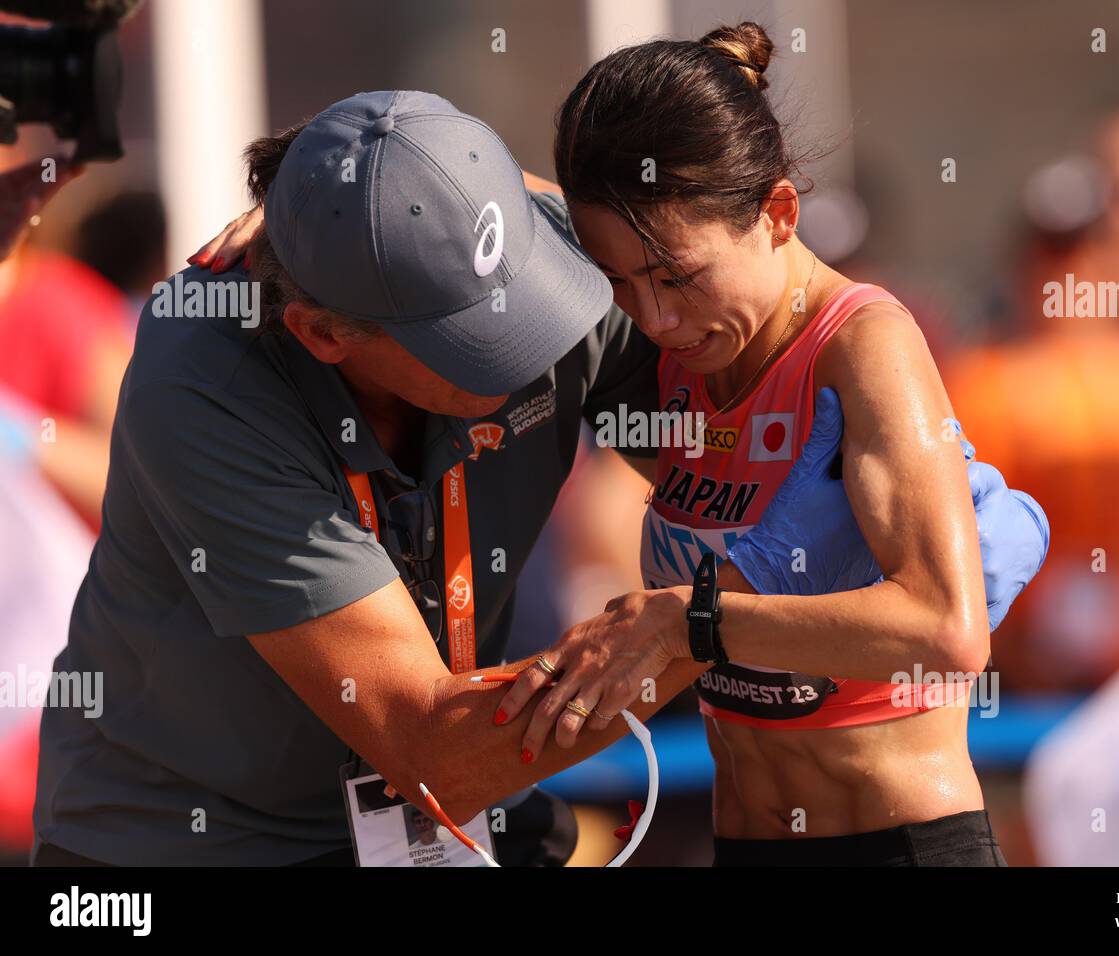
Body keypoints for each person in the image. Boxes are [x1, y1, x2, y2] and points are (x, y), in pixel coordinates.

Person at [72, 89, 1041, 867]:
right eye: (475, 343)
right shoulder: (207, 385)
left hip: (471, 826)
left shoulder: (559, 261)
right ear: (323, 332)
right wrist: (706, 618)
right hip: (211, 839)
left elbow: (780, 293)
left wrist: (926, 472)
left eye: (535, 297)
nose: (543, 342)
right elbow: (433, 749)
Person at [493, 23, 1048, 865]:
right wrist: (298, 212)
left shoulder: (861, 346)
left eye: (678, 277)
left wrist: (694, 622)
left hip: (897, 843)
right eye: (619, 284)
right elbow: (482, 204)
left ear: (779, 213)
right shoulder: (687, 339)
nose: (653, 318)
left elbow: (947, 630)